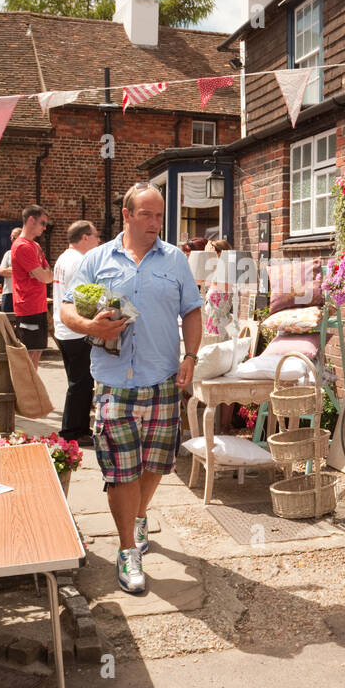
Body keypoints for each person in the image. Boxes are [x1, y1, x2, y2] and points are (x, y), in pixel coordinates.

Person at [60, 183, 203, 594]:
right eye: (147, 215)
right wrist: (90, 325)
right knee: (122, 470)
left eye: (159, 216)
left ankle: (139, 517)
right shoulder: (98, 259)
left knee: (155, 465)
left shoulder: (174, 259)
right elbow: (68, 307)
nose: (155, 224)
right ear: (126, 214)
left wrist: (190, 356)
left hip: (162, 381)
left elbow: (192, 310)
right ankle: (127, 551)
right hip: (113, 384)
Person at [53, 220, 101, 445]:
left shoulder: (64, 258)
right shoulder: (80, 261)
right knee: (80, 384)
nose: (98, 240)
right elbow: (84, 299)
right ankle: (72, 432)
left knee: (79, 382)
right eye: (95, 236)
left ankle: (79, 428)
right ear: (84, 237)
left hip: (64, 329)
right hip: (76, 330)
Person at [11, 206, 53, 364]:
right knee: (28, 357)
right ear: (30, 220)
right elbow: (44, 276)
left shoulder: (35, 246)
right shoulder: (23, 246)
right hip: (27, 307)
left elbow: (48, 274)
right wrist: (42, 273)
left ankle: (31, 388)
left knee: (37, 353)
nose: (44, 227)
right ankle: (25, 389)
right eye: (42, 223)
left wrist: (42, 273)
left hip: (38, 306)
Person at [202, 238, 236, 340]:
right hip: (212, 326)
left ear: (220, 254)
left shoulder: (225, 274)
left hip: (219, 329)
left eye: (212, 254)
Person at [0, 227, 22, 313]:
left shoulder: (27, 254)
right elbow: (1, 271)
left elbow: (30, 272)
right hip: (8, 292)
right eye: (11, 237)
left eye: (14, 237)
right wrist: (19, 270)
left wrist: (10, 269)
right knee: (6, 320)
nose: (12, 239)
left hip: (22, 293)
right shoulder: (8, 254)